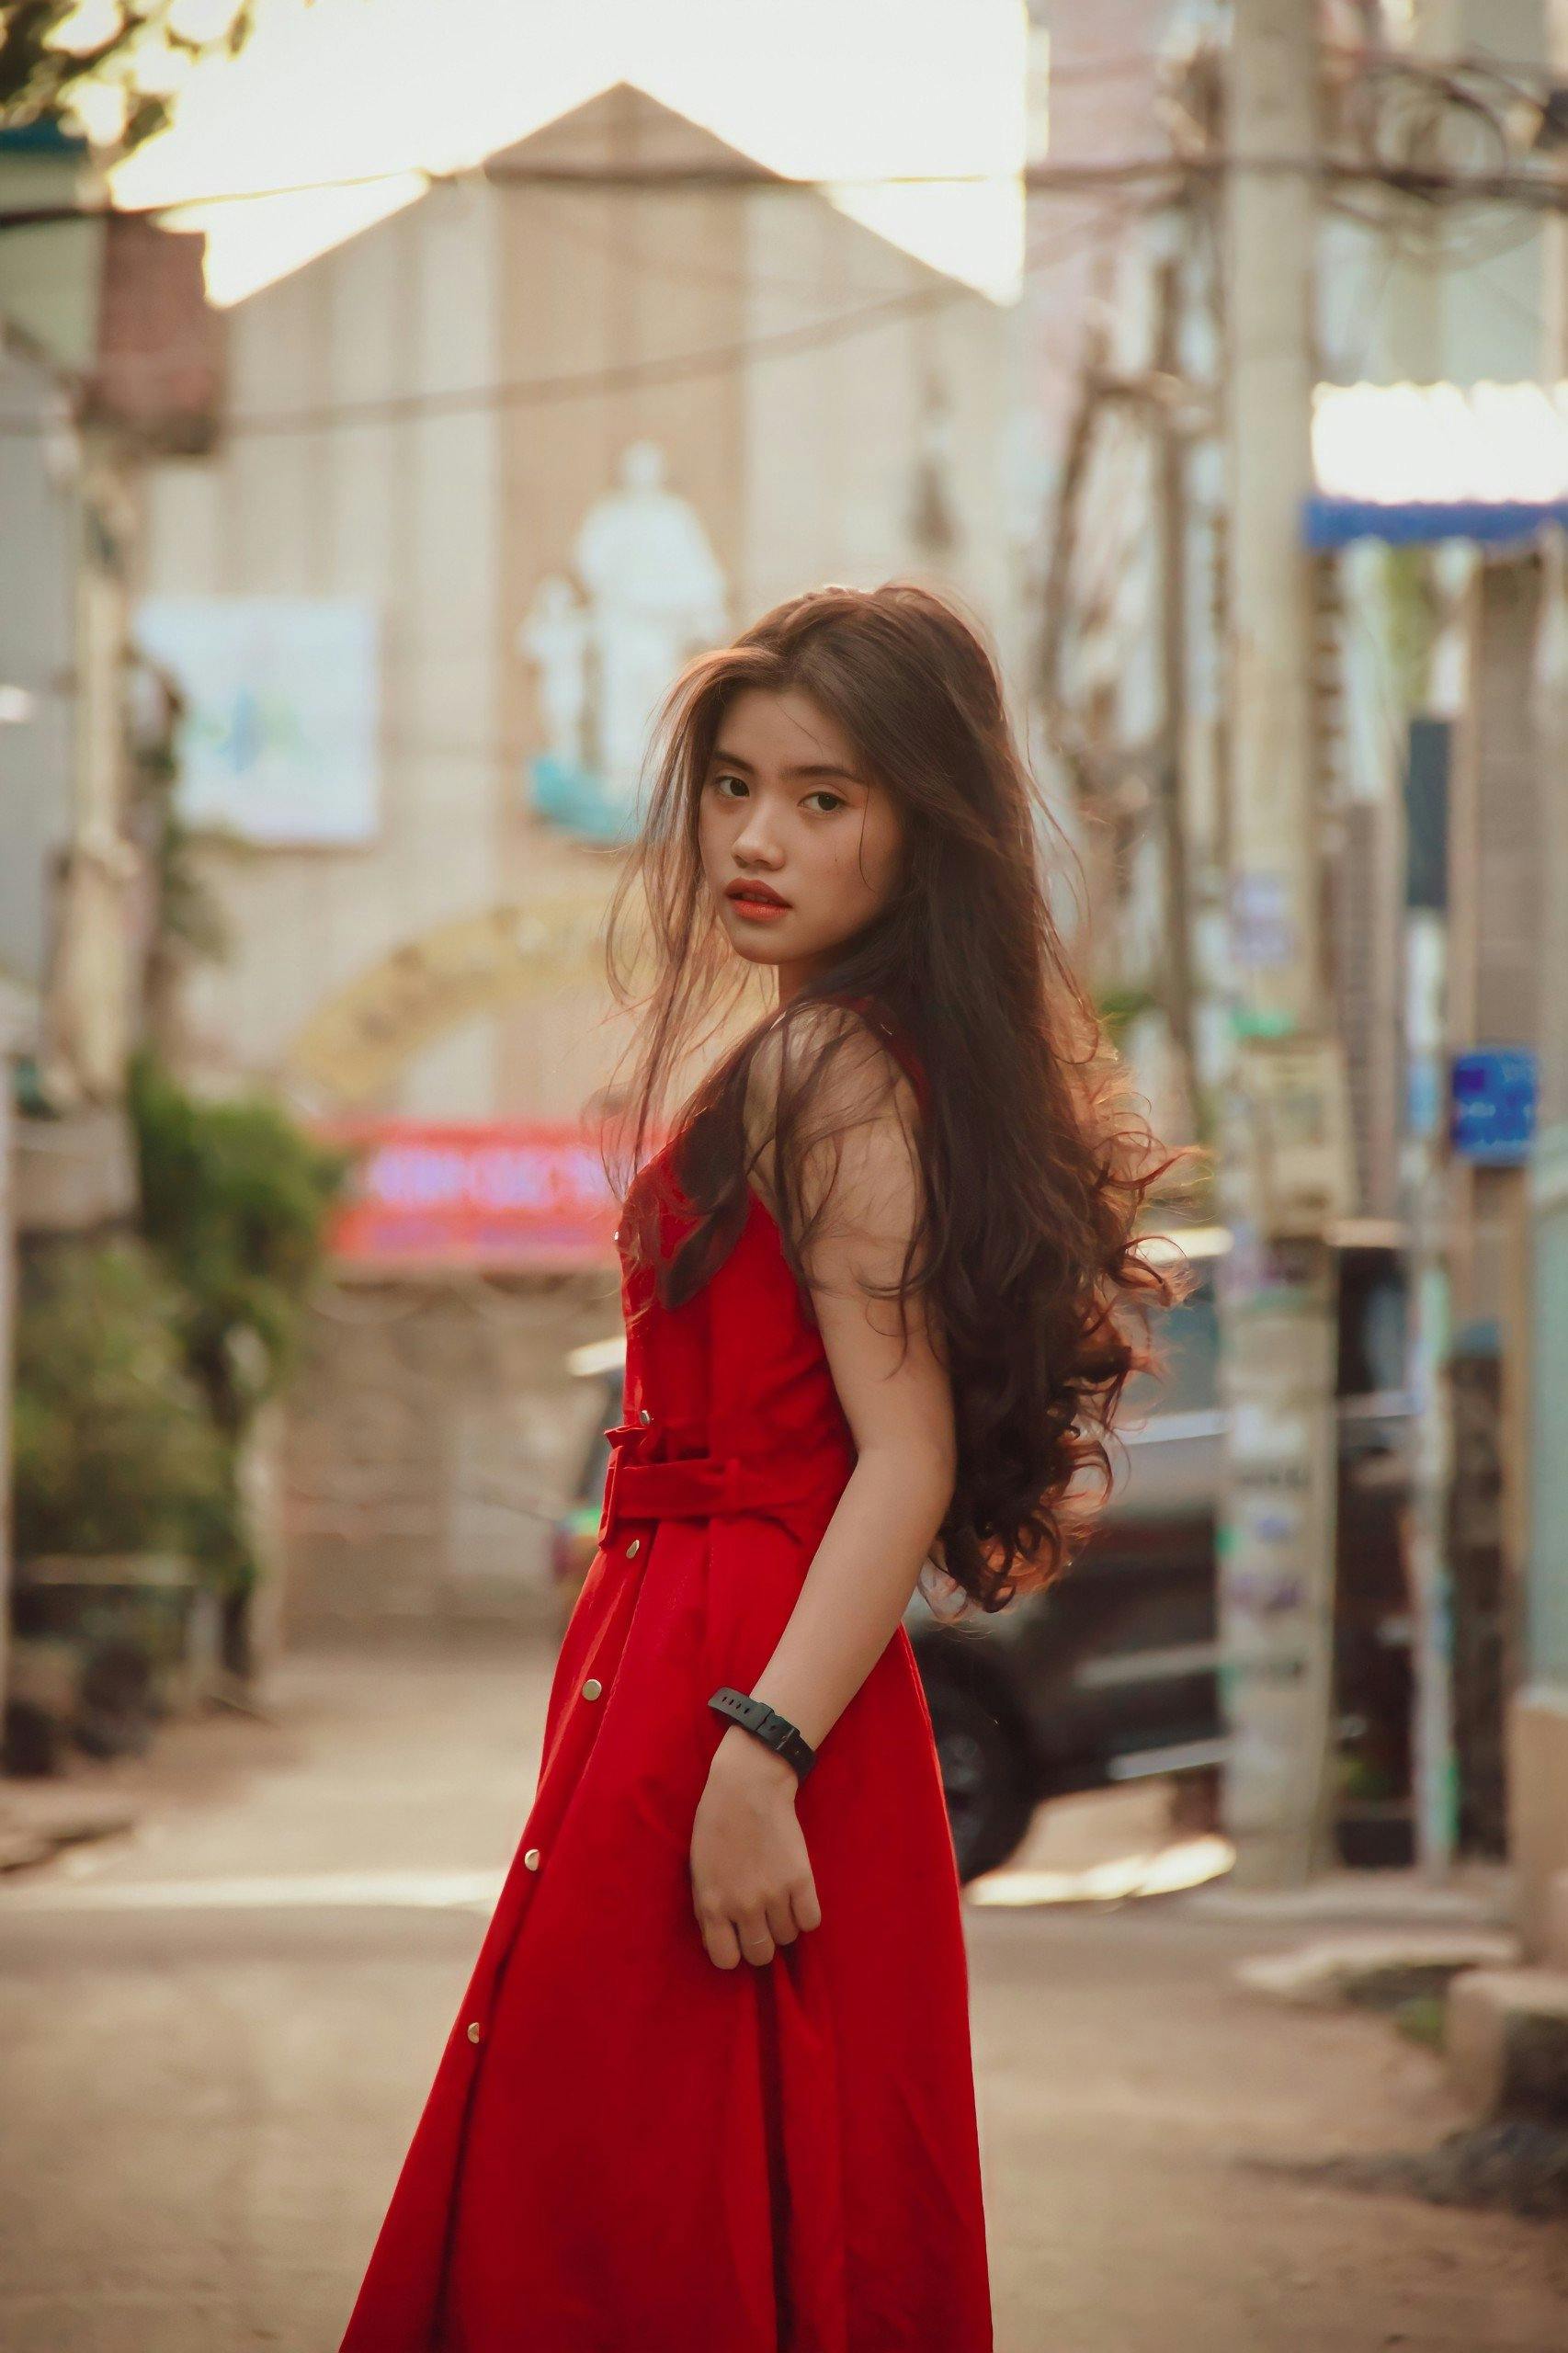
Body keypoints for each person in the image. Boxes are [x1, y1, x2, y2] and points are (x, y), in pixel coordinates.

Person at [338, 581, 1185, 2353]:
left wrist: (757, 1755)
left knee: (627, 2202)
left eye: (824, 797)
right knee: (661, 2187)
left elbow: (903, 1456)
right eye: (735, 785)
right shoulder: (837, 1050)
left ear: (918, 826)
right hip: (705, 1665)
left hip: (739, 1690)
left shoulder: (825, 1070)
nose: (757, 836)